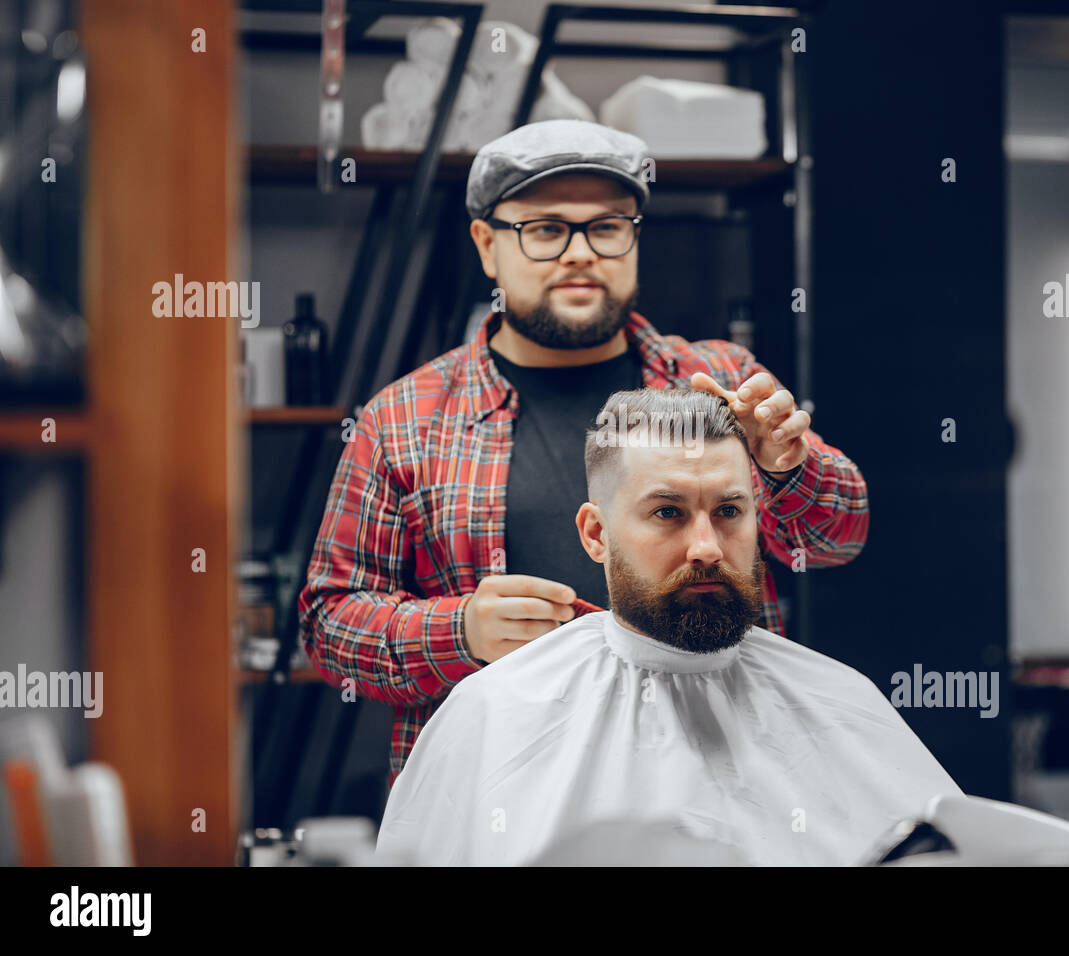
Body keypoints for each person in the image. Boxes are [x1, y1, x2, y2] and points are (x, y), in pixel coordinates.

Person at [298, 119, 870, 787]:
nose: (579, 253)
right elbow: (328, 622)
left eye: (605, 227)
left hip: (719, 780)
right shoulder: (404, 419)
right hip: (502, 792)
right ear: (487, 245)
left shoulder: (721, 381)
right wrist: (461, 633)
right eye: (544, 229)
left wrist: (785, 467)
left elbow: (838, 539)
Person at [374, 389, 960, 866]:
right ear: (596, 535)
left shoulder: (840, 699)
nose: (707, 548)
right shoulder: (497, 710)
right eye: (668, 513)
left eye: (729, 511)